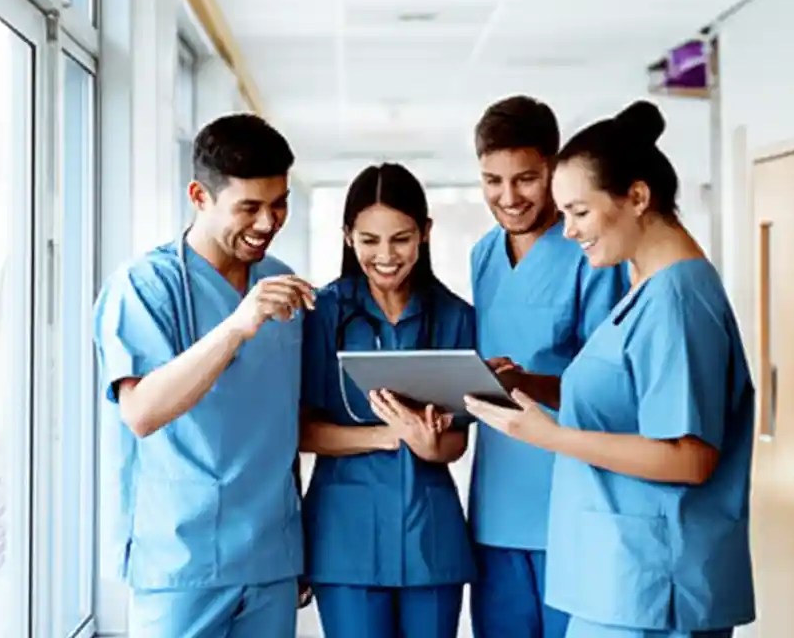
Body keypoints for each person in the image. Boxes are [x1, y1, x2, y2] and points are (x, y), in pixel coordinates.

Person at [465, 101, 756, 638]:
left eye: (579, 211)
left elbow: (691, 458)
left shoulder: (679, 300)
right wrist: (528, 386)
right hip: (623, 580)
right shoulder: (651, 293)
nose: (569, 231)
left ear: (637, 197)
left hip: (652, 582)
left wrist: (552, 437)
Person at [93, 113, 316, 637]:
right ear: (199, 195)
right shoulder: (144, 286)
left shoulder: (281, 284)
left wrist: (295, 544)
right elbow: (141, 412)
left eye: (279, 203)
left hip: (270, 557)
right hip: (180, 563)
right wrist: (238, 326)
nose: (268, 222)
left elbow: (281, 422)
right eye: (249, 207)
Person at [467, 95, 630, 638]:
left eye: (526, 179)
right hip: (496, 505)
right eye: (493, 180)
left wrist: (524, 384)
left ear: (555, 171)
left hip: (569, 499)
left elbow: (608, 387)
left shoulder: (592, 252)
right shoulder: (483, 255)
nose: (508, 197)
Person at [299, 163, 476, 638]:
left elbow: (457, 439)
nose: (385, 255)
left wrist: (429, 445)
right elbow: (301, 431)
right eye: (369, 240)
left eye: (400, 238)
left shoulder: (457, 318)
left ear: (425, 234)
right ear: (347, 236)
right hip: (345, 538)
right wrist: (387, 435)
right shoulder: (321, 314)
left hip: (430, 538)